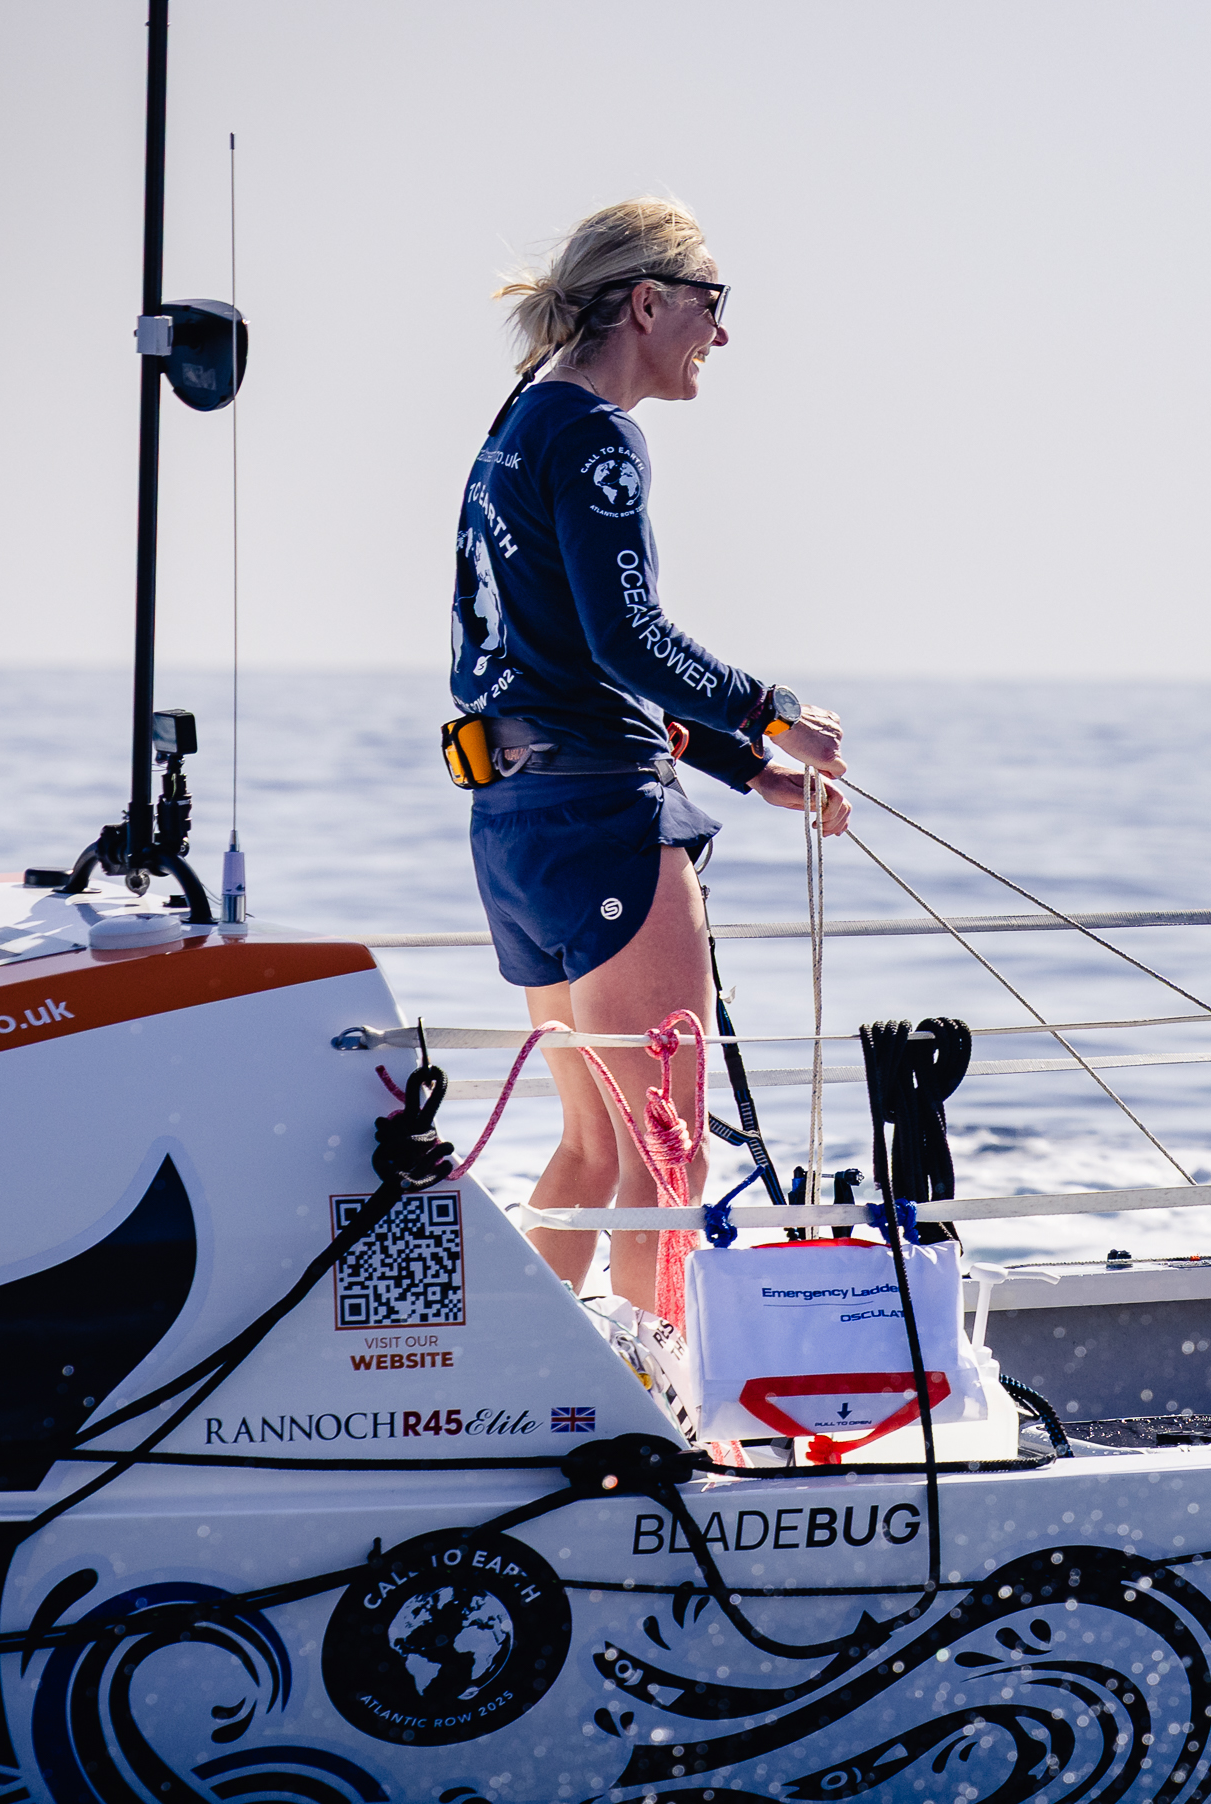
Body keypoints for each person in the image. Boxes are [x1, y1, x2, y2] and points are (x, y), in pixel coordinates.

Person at [449, 197, 849, 1315]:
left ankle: (520, 1401)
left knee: (590, 1153)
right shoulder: (594, 436)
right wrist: (772, 714)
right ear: (647, 301)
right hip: (603, 824)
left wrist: (736, 763)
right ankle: (659, 1424)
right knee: (667, 1161)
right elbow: (629, 638)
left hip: (517, 828)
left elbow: (567, 651)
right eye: (711, 306)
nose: (720, 335)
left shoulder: (518, 425)